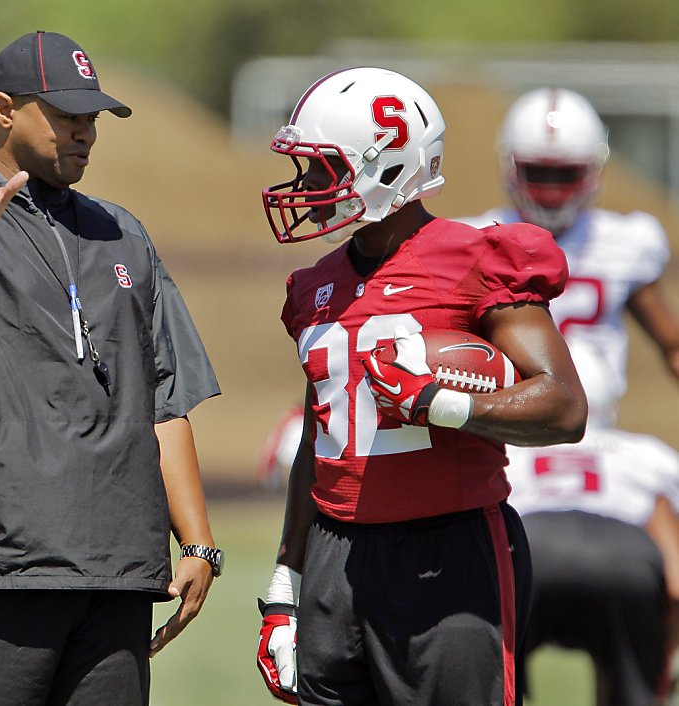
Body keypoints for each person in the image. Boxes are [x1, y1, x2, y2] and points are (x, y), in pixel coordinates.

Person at [0, 30, 223, 706]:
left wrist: (198, 543)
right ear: (5, 109)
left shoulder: (124, 234)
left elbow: (164, 398)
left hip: (117, 574)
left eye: (93, 117)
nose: (86, 132)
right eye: (67, 114)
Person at [254, 67, 587, 706]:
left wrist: (439, 402)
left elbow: (564, 406)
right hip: (333, 554)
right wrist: (285, 584)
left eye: (322, 169)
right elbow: (316, 442)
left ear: (386, 166)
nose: (306, 188)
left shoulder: (476, 258)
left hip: (449, 549)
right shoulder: (314, 285)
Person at [463, 87, 679, 414]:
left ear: (594, 168)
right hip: (507, 419)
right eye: (538, 172)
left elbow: (673, 346)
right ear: (510, 167)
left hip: (595, 423)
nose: (551, 190)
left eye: (565, 174)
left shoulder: (627, 242)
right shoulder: (474, 241)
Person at [505, 340, 679, 706]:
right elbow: (676, 578)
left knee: (497, 689)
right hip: (625, 555)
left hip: (533, 549)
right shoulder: (645, 454)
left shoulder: (509, 450)